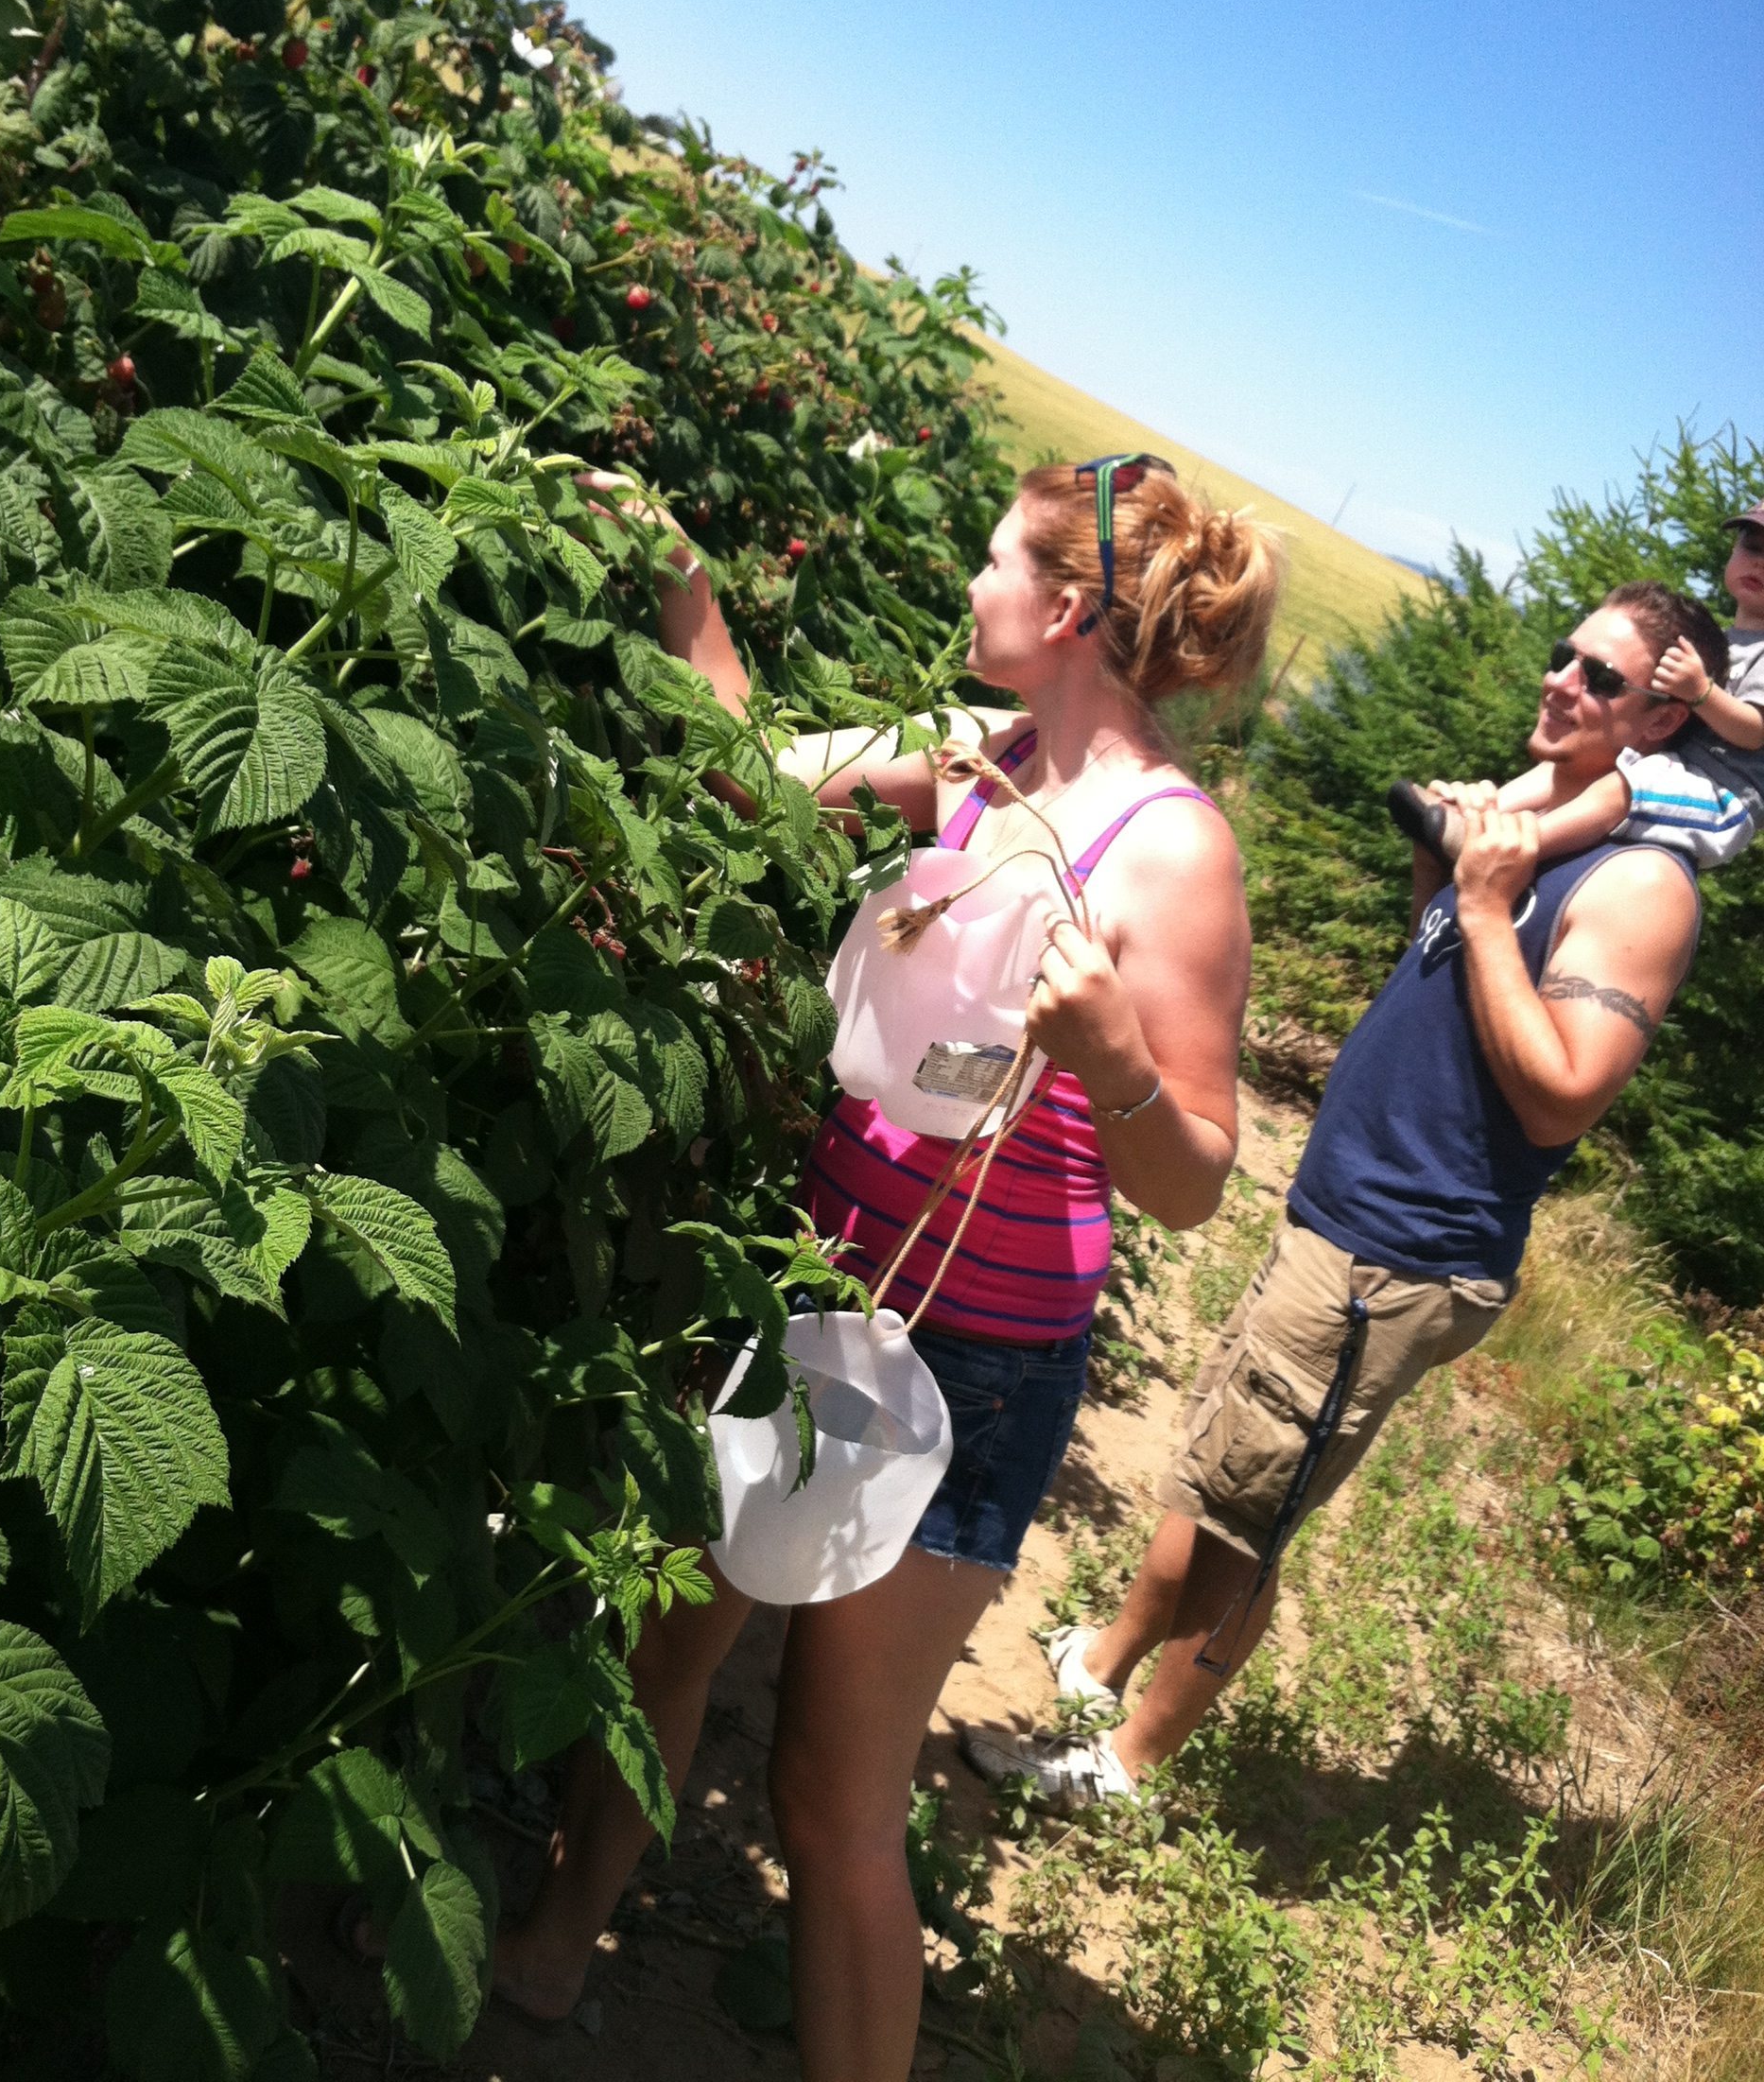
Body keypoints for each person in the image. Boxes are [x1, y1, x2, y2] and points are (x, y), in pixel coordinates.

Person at [491, 453, 1282, 2080]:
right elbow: (753, 770)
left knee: (828, 1791)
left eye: (995, 557)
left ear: (1065, 609)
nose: (969, 574)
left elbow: (1197, 1178)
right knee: (667, 1643)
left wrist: (1112, 1055)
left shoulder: (1169, 852)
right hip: (824, 1293)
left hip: (969, 1362)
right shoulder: (982, 762)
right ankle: (559, 1943)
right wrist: (678, 571)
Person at [964, 581, 1708, 1809]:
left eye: (1603, 678)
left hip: (1399, 1255)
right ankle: (1105, 1664)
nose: (1561, 680)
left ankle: (1128, 1765)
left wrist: (1479, 905)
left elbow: (1561, 1094)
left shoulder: (1643, 886)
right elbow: (1456, 1000)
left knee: (1249, 1524)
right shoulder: (1537, 840)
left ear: (1664, 723)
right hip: (1343, 1217)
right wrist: (1443, 883)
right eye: (1564, 654)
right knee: (1218, 1464)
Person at [1391, 507, 1764, 872]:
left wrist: (1702, 692)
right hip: (1681, 767)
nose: (1760, 563)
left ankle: (1503, 847)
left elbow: (1755, 732)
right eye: (1753, 546)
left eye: (1601, 678)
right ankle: (1472, 816)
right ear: (1732, 551)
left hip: (1724, 799)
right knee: (1575, 763)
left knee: (1619, 790)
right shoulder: (1730, 639)